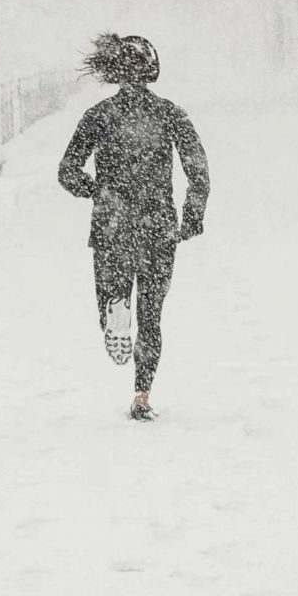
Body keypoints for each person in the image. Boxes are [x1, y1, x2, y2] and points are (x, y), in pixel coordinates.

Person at [57, 34, 209, 421]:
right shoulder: (171, 114)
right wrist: (191, 217)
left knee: (112, 297)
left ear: (113, 71)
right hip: (158, 224)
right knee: (153, 314)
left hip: (112, 224)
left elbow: (67, 171)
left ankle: (114, 308)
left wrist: (97, 191)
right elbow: (198, 172)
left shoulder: (98, 116)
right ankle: (142, 395)